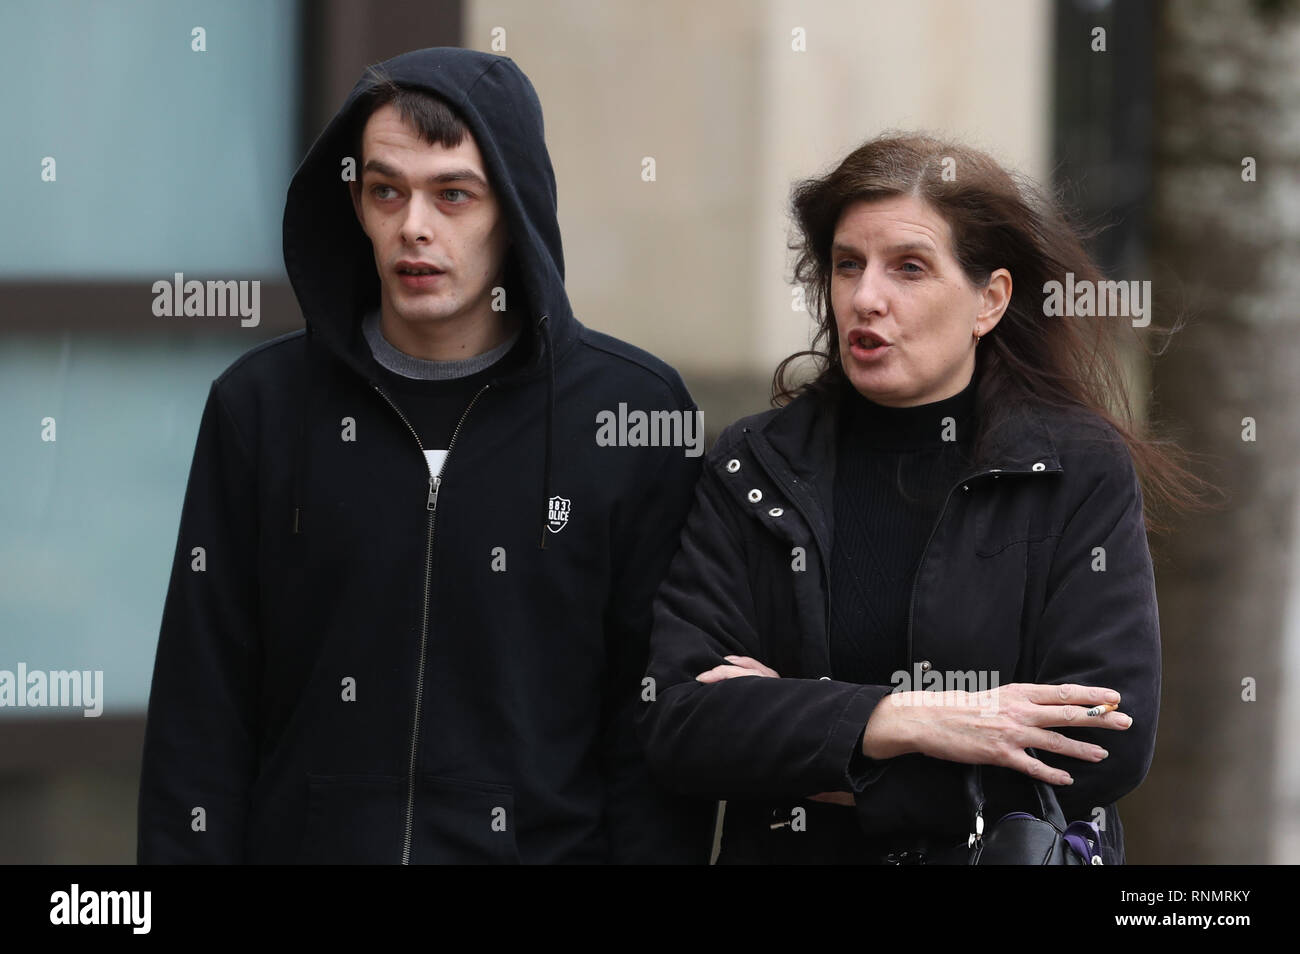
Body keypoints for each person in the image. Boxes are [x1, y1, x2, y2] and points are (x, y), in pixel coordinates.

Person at [138, 47, 712, 864]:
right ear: (356, 202)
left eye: (453, 195)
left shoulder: (630, 415)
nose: (414, 225)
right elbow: (201, 709)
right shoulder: (260, 407)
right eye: (386, 191)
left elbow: (647, 728)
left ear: (513, 204)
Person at [638, 133, 1209, 865]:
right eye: (848, 265)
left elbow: (1099, 743)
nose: (865, 298)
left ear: (989, 300)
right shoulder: (754, 464)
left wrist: (809, 743)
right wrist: (906, 717)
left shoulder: (1075, 469)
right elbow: (683, 723)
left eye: (909, 267)